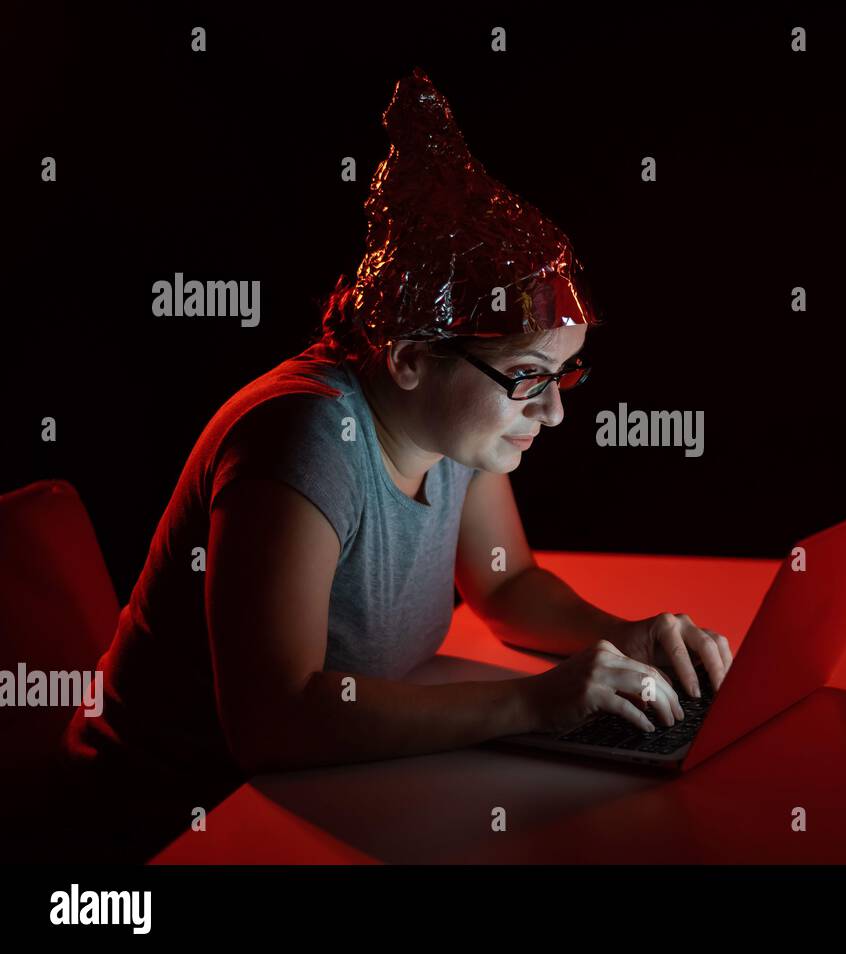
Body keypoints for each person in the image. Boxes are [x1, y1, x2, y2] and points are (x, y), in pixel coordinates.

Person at [53, 69, 732, 864]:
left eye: (566, 376)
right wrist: (533, 702)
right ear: (410, 358)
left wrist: (629, 641)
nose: (553, 412)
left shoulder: (459, 427)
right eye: (528, 379)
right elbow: (273, 723)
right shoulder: (302, 440)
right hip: (170, 822)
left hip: (322, 796)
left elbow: (507, 587)